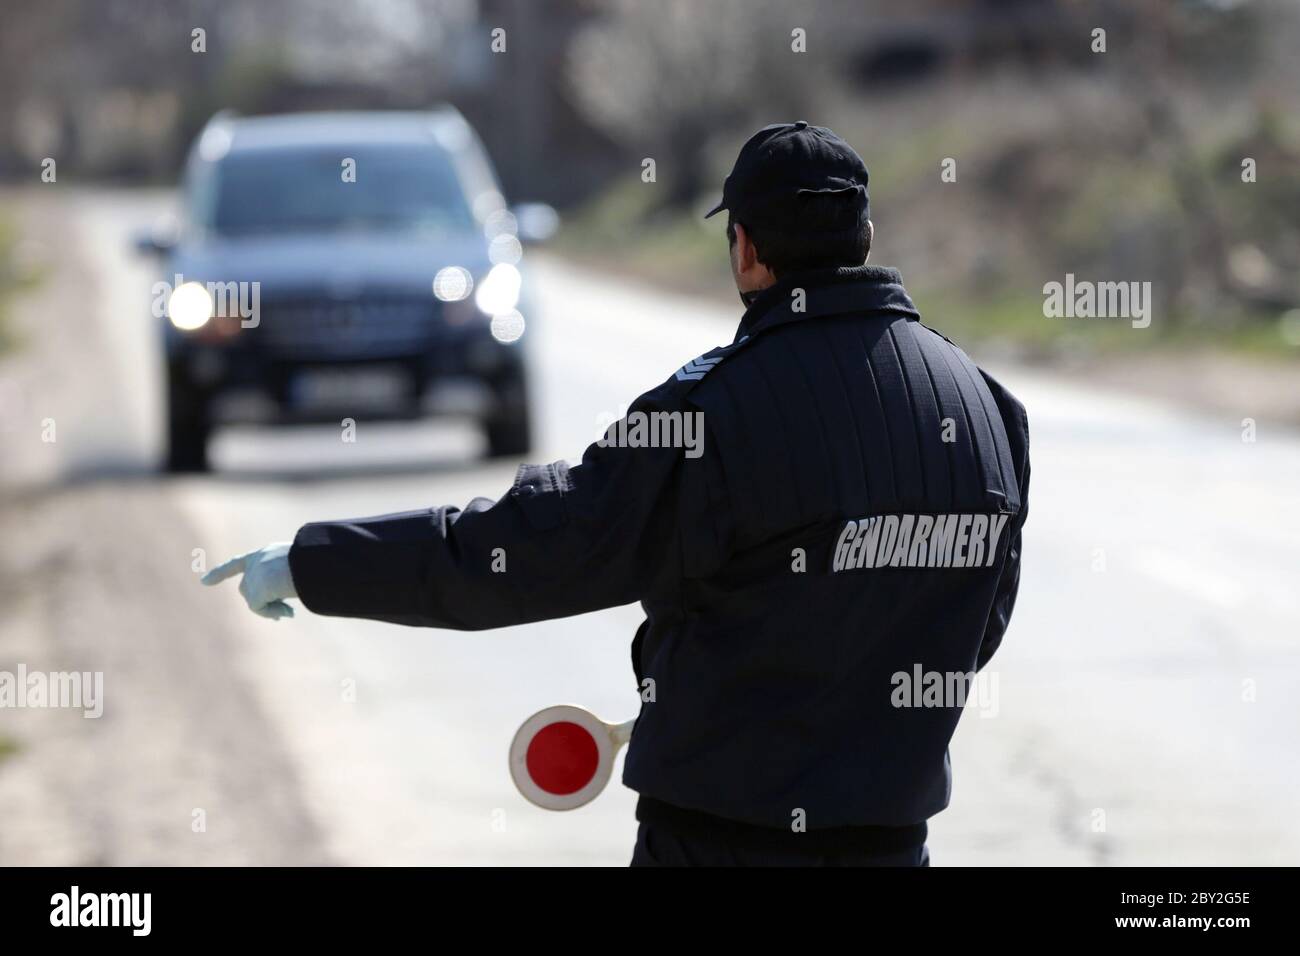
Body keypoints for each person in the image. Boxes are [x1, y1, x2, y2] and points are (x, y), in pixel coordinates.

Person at [203, 122, 1030, 867]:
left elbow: (525, 550)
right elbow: (973, 627)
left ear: (745, 250)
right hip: (894, 845)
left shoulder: (711, 415)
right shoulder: (987, 404)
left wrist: (316, 564)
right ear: (866, 236)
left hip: (717, 846)